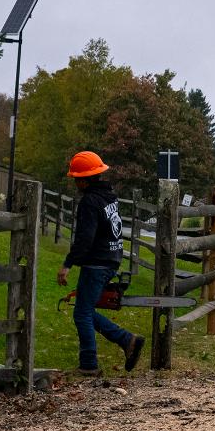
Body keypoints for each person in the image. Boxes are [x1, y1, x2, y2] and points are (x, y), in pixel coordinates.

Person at [56, 150, 145, 376]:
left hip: (97, 262)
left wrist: (67, 264)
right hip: (112, 259)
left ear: (84, 180)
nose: (75, 182)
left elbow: (85, 239)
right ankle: (127, 341)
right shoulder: (109, 196)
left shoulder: (89, 202)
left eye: (77, 178)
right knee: (84, 311)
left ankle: (89, 365)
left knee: (82, 314)